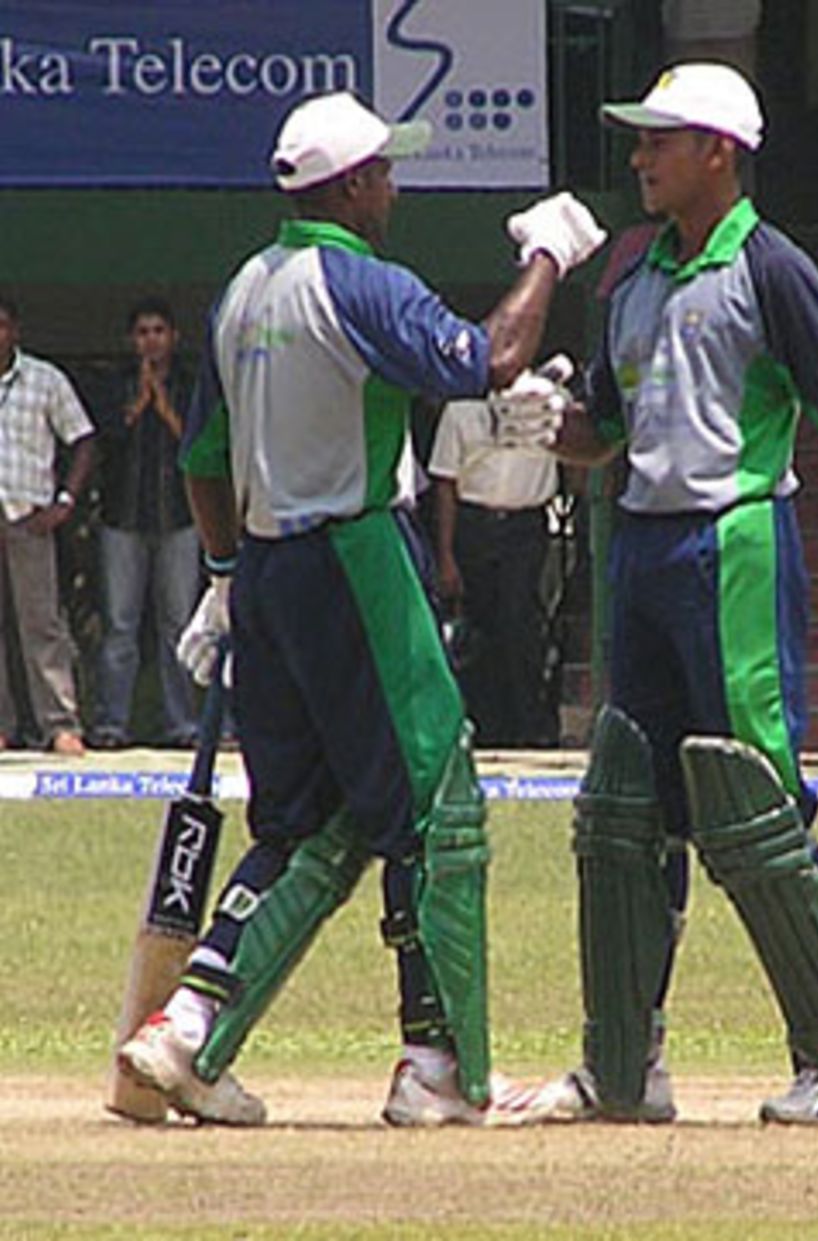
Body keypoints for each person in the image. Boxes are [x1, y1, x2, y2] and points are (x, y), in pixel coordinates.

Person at [495, 63, 818, 1125]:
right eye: (639, 141)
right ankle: (623, 1067)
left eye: (660, 141)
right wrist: (552, 424)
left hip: (732, 548)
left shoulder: (771, 267)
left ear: (719, 152)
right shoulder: (633, 278)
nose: (640, 157)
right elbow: (607, 428)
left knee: (755, 805)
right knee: (624, 806)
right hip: (638, 551)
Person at [117, 91, 605, 1126]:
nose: (395, 186)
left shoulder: (241, 290)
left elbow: (205, 461)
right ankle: (442, 1070)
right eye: (384, 172)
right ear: (347, 187)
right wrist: (551, 256)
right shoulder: (360, 282)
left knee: (304, 822)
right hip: (357, 559)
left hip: (272, 573)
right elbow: (489, 361)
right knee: (438, 813)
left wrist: (221, 574)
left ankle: (187, 1029)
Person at [89, 298, 200, 750]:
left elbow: (198, 439)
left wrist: (165, 405)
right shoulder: (113, 384)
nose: (151, 340)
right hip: (123, 518)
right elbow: (104, 437)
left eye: (158, 331)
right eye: (142, 332)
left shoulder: (192, 384)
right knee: (120, 625)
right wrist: (139, 400)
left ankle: (183, 724)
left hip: (180, 517)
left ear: (174, 337)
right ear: (131, 340)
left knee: (178, 625)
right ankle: (113, 723)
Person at [429, 397, 560, 748]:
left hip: (525, 525)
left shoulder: (545, 404)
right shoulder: (460, 410)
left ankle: (531, 725)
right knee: (480, 628)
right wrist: (445, 555)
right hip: (475, 524)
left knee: (521, 622)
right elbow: (445, 483)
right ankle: (487, 725)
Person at [0, 293, 95, 756]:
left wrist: (66, 501)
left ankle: (60, 724)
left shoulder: (43, 379)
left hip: (29, 516)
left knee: (41, 623)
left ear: (14, 330)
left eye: (0, 325)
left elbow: (83, 438)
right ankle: (3, 725)